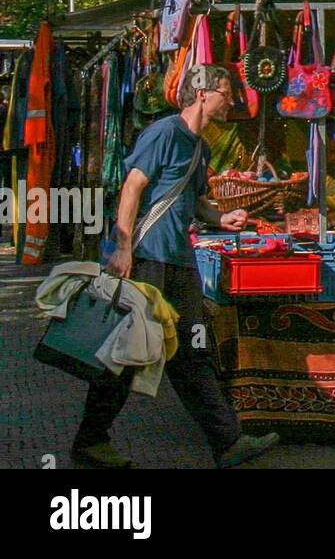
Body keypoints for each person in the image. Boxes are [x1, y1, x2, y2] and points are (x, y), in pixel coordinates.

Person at [72, 65, 279, 469]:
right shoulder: (165, 132)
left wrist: (221, 218)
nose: (231, 100)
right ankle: (90, 441)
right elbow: (133, 185)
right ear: (202, 93)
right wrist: (124, 247)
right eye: (226, 91)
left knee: (190, 353)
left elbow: (196, 200)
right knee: (128, 354)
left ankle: (228, 443)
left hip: (178, 262)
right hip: (148, 258)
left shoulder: (199, 146)